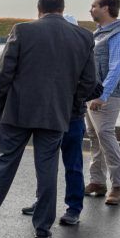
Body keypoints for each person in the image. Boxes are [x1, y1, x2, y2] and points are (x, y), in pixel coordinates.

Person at [0, 0, 98, 238]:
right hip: (55, 113)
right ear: (62, 9)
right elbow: (88, 81)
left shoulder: (23, 30)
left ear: (39, 9)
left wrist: (2, 103)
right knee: (48, 170)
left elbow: (3, 74)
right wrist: (69, 106)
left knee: (4, 165)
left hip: (17, 110)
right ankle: (43, 228)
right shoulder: (83, 37)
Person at [20, 12, 89, 227]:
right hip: (54, 116)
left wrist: (73, 101)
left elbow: (93, 84)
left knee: (72, 165)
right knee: (46, 166)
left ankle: (73, 208)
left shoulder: (81, 54)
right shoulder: (60, 53)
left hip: (71, 117)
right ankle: (44, 204)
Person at [84, 0, 120, 206]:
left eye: (94, 6)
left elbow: (117, 68)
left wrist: (102, 95)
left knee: (105, 133)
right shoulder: (99, 33)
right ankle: (97, 181)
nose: (91, 10)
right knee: (95, 137)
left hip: (108, 94)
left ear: (106, 8)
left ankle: (118, 186)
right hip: (93, 93)